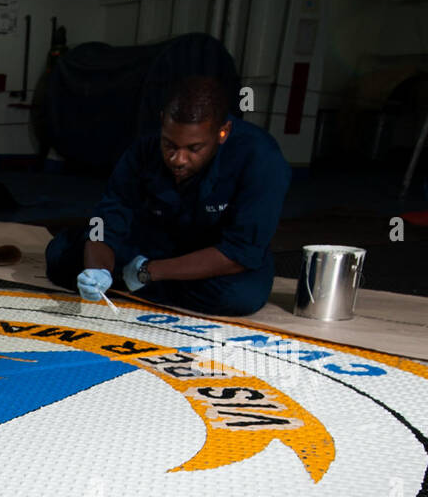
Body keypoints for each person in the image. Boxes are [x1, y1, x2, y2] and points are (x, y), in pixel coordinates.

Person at [44, 74, 292, 318]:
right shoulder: (144, 149)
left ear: (222, 132)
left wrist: (150, 271)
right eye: (170, 145)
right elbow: (106, 220)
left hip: (211, 258)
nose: (178, 159)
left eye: (194, 149)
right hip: (154, 243)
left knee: (240, 296)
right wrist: (98, 270)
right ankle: (128, 280)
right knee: (60, 256)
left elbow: (240, 251)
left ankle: (139, 281)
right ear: (163, 121)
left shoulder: (260, 158)